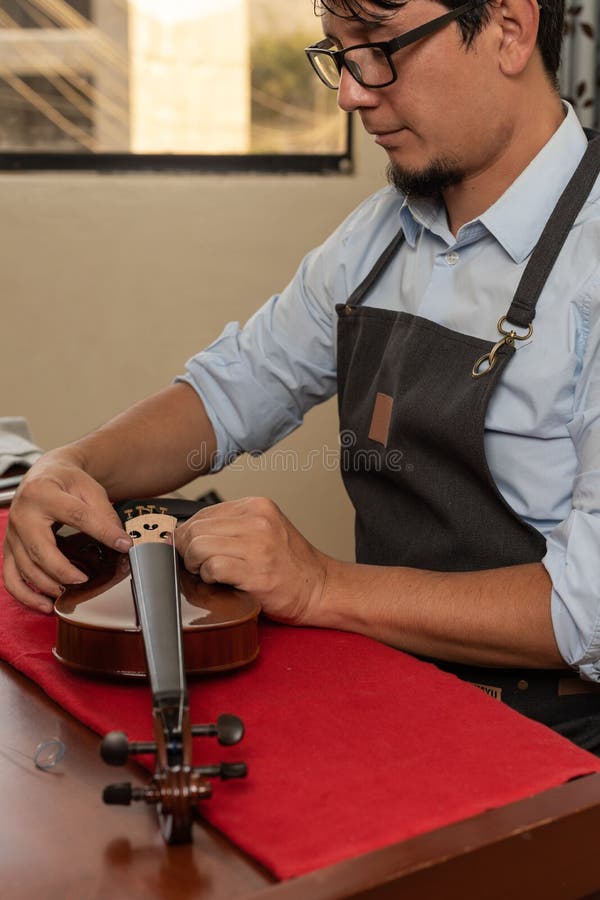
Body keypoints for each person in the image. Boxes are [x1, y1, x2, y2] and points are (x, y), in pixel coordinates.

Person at [5, 0, 600, 749]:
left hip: (559, 751)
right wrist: (71, 466)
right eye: (339, 54)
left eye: (381, 47)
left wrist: (320, 585)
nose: (352, 92)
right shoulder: (382, 236)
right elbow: (229, 395)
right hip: (395, 692)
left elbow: (591, 609)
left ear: (509, 29)